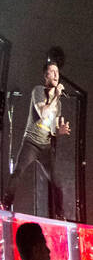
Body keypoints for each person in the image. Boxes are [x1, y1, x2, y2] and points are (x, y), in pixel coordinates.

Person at [2, 60, 71, 217]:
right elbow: (44, 113)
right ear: (45, 76)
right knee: (18, 171)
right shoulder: (38, 91)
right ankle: (6, 202)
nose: (55, 75)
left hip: (45, 147)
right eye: (52, 72)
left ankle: (60, 215)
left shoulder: (58, 104)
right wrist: (56, 96)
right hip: (31, 143)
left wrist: (59, 131)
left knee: (57, 182)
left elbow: (52, 129)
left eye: (57, 73)